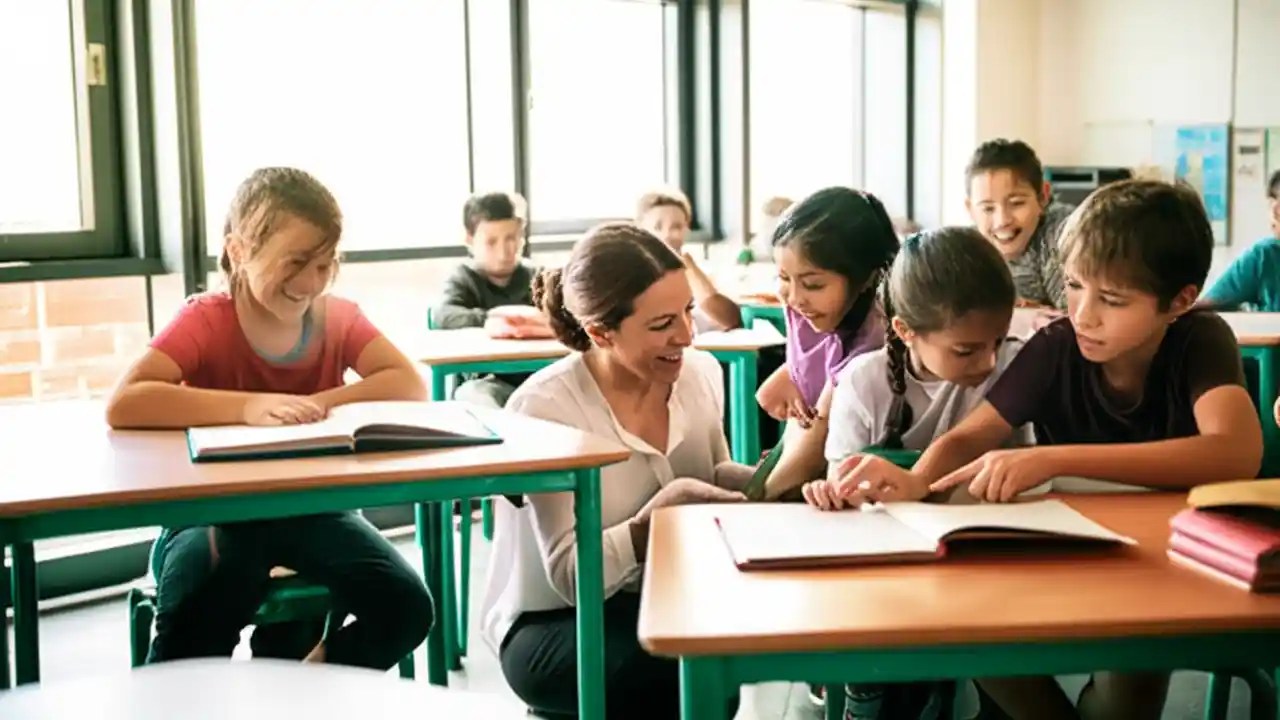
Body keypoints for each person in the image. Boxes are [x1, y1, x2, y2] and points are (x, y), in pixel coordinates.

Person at [833, 180, 1263, 720]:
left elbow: (1235, 452)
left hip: (1172, 566)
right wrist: (919, 480)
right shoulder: (1057, 347)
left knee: (1130, 684)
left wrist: (1057, 458)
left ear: (1179, 301)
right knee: (969, 630)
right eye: (1076, 287)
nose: (1083, 314)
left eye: (1111, 300)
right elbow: (971, 436)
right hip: (1075, 558)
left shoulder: (1200, 339)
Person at [106, 166, 433, 668]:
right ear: (239, 252)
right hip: (213, 513)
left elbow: (408, 382)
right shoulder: (206, 319)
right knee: (201, 609)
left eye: (325, 264)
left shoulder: (337, 316)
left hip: (313, 510)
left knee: (406, 607)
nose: (310, 282)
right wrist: (246, 409)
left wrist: (323, 402)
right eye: (296, 261)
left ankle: (303, 690)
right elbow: (126, 402)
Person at [479, 222, 746, 719]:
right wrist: (649, 527)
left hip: (663, 596)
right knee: (671, 674)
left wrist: (773, 478)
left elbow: (714, 472)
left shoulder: (700, 372)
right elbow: (567, 577)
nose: (687, 335)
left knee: (720, 662)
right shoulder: (543, 408)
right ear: (600, 332)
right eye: (662, 323)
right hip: (555, 622)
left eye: (688, 311)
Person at [755, 187, 901, 500]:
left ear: (866, 279)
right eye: (783, 277)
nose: (794, 298)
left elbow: (815, 446)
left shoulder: (874, 339)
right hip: (808, 455)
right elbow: (780, 390)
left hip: (848, 479)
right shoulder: (808, 304)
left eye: (813, 284)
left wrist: (756, 501)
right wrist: (793, 378)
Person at [433, 190, 543, 407]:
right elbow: (444, 315)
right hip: (486, 382)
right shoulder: (463, 278)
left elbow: (564, 311)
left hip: (539, 380)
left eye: (511, 238)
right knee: (476, 398)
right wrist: (498, 321)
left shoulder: (536, 276)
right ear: (470, 239)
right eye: (491, 242)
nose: (504, 252)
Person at [965, 139, 1073, 310]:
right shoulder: (966, 251)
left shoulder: (1066, 235)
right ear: (970, 209)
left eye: (1016, 203)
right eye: (988, 208)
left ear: (1043, 197)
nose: (1002, 221)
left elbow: (1081, 320)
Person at [636, 187, 743, 331]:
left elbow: (731, 320)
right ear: (640, 229)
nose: (667, 234)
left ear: (686, 230)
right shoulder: (630, 278)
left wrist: (686, 265)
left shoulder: (703, 275)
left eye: (677, 227)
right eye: (657, 227)